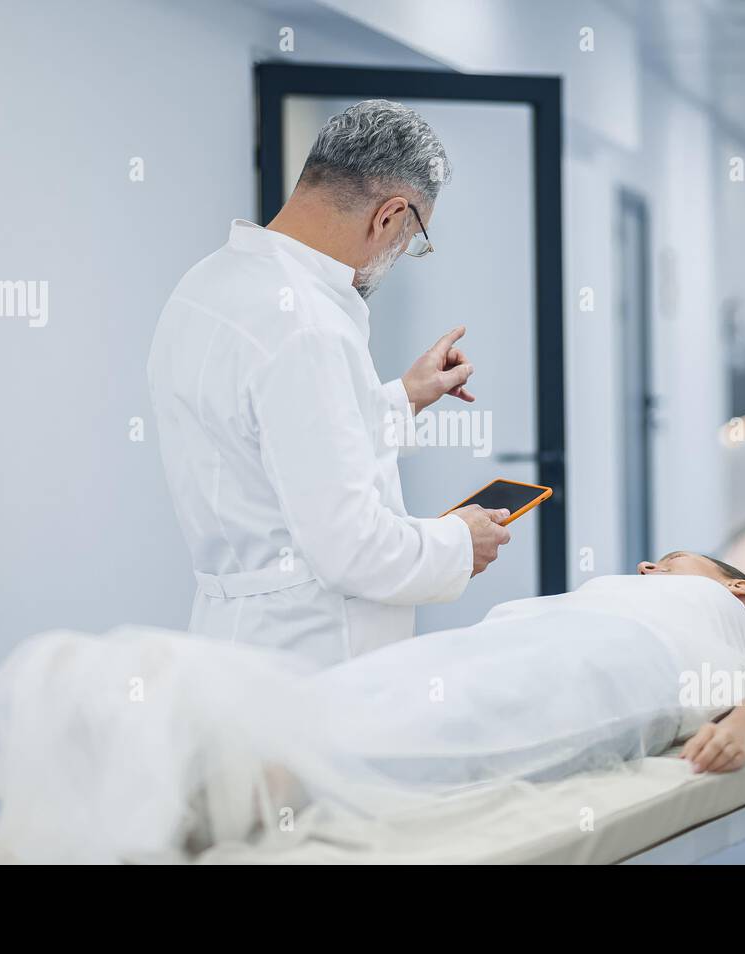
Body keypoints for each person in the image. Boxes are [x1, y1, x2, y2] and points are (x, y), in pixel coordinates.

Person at [0, 552, 745, 862]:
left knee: (476, 720)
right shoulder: (605, 589)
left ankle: (255, 779)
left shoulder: (736, 618)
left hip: (624, 666)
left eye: (667, 562)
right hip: (502, 640)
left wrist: (744, 726)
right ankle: (222, 745)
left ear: (737, 585)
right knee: (378, 691)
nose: (647, 570)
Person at [146, 99, 510, 667]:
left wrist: (401, 399)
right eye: (416, 238)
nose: (402, 253)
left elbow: (267, 440)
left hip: (233, 639)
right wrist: (460, 542)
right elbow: (353, 549)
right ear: (390, 215)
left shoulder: (210, 282)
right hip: (307, 656)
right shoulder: (307, 325)